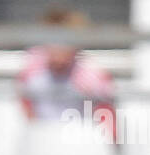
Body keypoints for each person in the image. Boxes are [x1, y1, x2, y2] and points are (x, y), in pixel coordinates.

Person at [17, 6, 115, 137]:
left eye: (64, 43)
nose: (57, 49)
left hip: (80, 140)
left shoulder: (91, 73)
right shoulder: (32, 69)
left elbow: (106, 114)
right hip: (43, 139)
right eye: (52, 42)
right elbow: (25, 100)